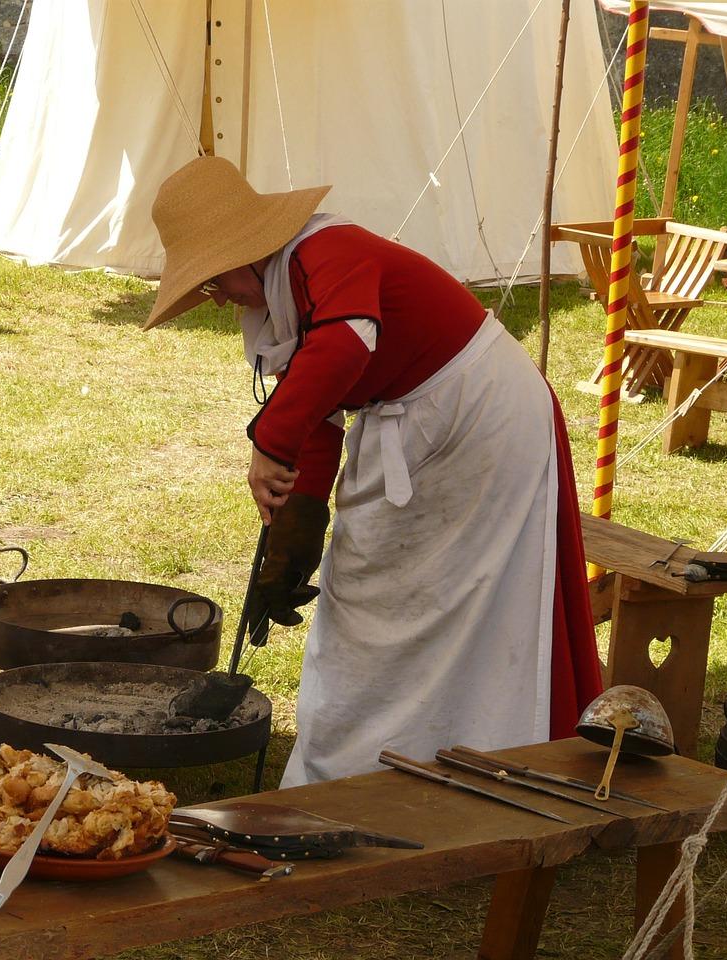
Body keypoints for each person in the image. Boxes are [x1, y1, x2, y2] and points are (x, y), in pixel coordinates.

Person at [143, 156, 602, 788]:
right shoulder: (290, 289)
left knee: (447, 599)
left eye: (216, 282)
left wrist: (269, 445)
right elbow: (323, 411)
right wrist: (296, 524)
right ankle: (387, 769)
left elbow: (345, 345)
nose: (219, 300)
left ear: (247, 253)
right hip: (427, 419)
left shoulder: (327, 251)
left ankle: (438, 764)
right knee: (385, 593)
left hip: (478, 417)